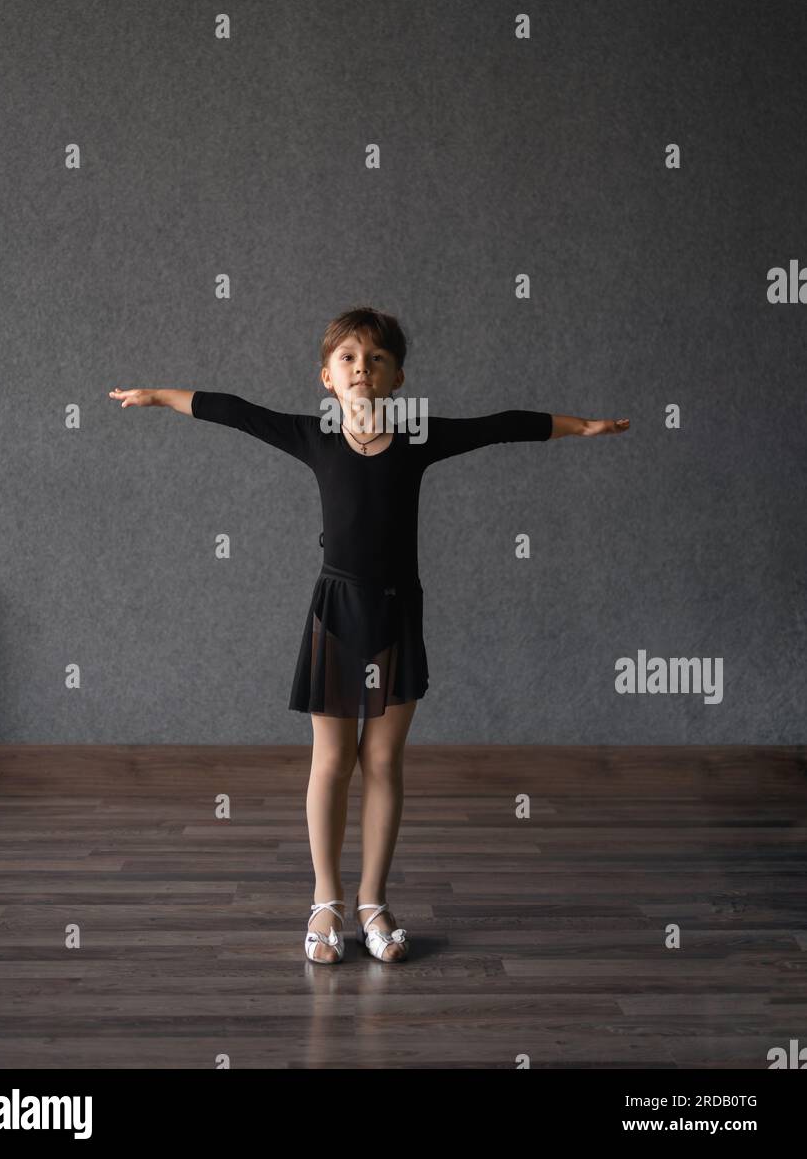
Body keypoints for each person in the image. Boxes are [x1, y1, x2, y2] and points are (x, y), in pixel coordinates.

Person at [110, 306, 629, 965]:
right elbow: (235, 410)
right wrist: (157, 395)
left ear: (397, 377)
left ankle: (373, 900)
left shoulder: (417, 436)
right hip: (337, 610)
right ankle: (325, 900)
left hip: (396, 613)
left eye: (375, 359)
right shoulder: (314, 435)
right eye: (349, 358)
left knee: (383, 761)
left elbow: (501, 426)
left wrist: (582, 427)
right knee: (333, 761)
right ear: (327, 376)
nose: (362, 368)